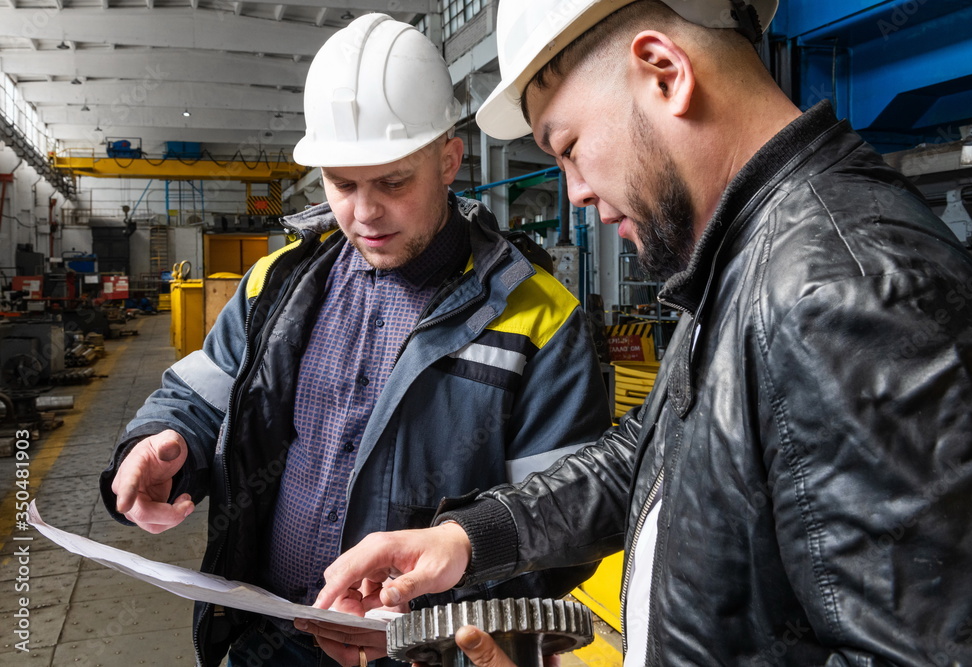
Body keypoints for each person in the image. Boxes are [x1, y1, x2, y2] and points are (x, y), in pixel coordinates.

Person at [314, 0, 972, 665]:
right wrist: (470, 536)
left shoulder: (845, 292)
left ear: (664, 72)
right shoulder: (751, 260)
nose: (574, 190)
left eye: (571, 146)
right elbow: (655, 450)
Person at [99, 13, 609, 667]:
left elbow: (564, 526)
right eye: (343, 184)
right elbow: (199, 396)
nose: (364, 213)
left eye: (393, 182)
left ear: (449, 158)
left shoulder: (538, 315)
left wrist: (413, 620)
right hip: (269, 640)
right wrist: (160, 447)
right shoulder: (278, 284)